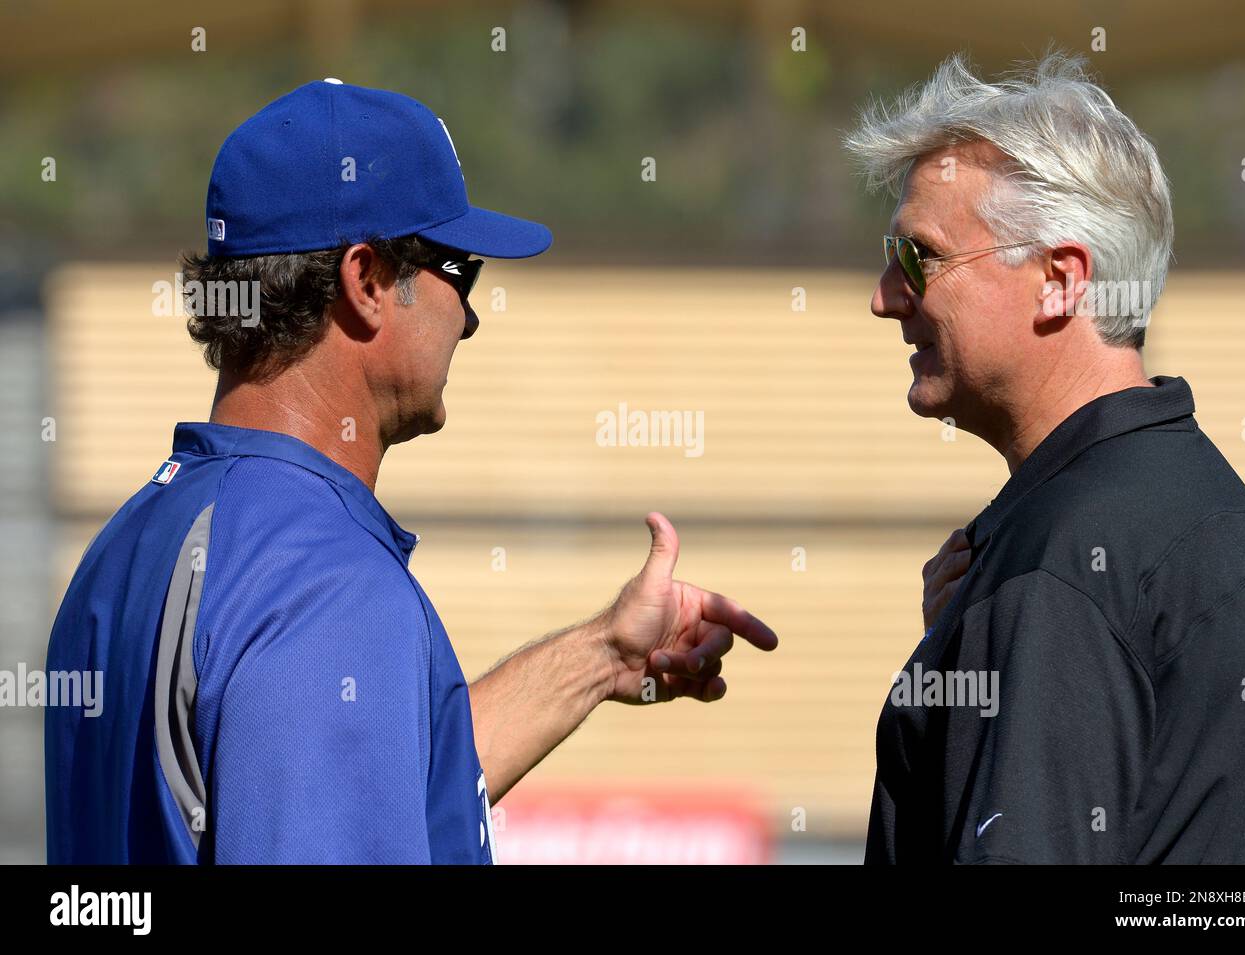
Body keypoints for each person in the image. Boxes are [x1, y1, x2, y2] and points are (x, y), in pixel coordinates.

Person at [45, 79, 778, 864]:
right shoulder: (324, 585)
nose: (469, 315)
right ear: (366, 282)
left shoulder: (128, 544)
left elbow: (379, 783)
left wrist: (604, 654)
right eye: (459, 271)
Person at [848, 53, 1245, 863]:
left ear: (1059, 279)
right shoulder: (1206, 508)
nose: (885, 296)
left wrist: (1007, 621)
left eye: (920, 257)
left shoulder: (1062, 566)